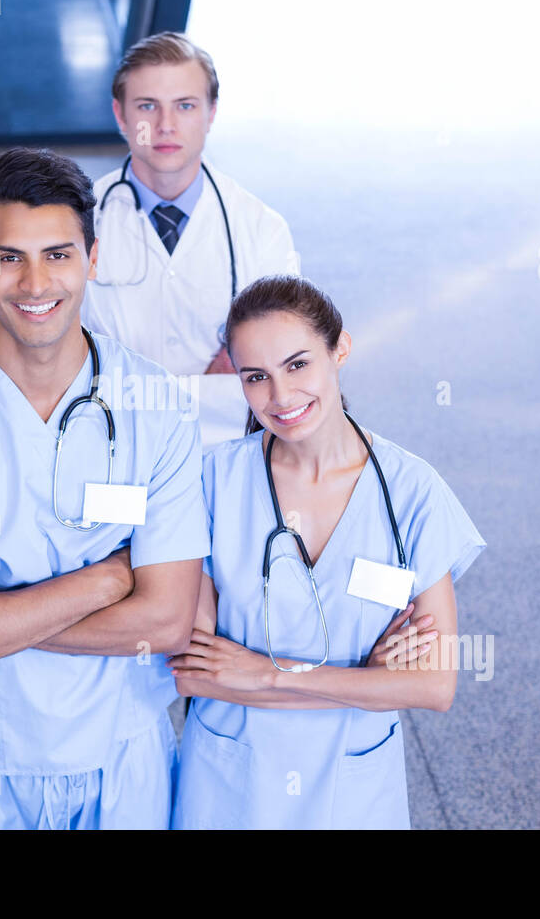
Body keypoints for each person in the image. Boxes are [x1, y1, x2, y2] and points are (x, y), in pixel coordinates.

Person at [0, 147, 208, 829]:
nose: (33, 282)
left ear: (93, 256)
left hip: (122, 755)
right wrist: (109, 582)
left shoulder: (156, 407)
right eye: (8, 256)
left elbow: (168, 621)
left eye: (57, 254)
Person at [169, 275, 486, 829]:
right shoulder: (210, 482)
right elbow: (195, 675)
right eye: (256, 377)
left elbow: (433, 685)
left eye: (298, 365)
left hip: (354, 787)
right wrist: (365, 680)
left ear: (339, 348)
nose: (281, 397)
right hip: (231, 782)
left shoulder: (411, 493)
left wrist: (263, 674)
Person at [84, 31, 299, 448]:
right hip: (110, 441)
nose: (166, 125)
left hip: (228, 442)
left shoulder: (261, 229)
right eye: (147, 106)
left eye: (185, 106)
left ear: (211, 113)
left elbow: (280, 348)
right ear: (120, 115)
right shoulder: (77, 223)